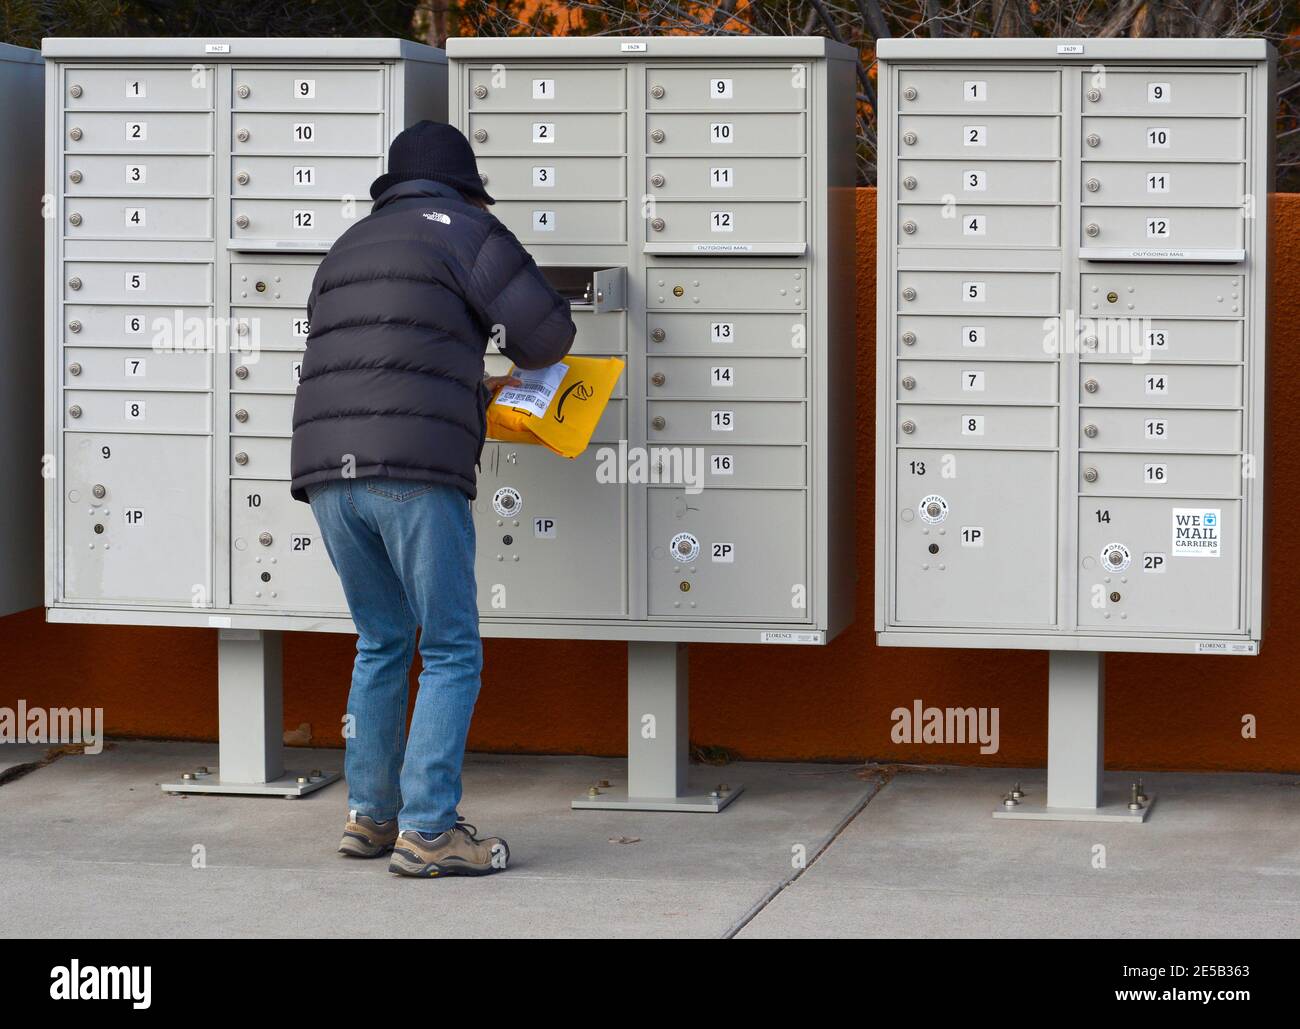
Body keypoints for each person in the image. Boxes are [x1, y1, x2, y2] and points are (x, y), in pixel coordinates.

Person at [289, 121, 576, 878]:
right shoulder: (469, 229)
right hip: (414, 471)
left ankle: (371, 815)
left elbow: (374, 355)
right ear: (467, 184)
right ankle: (431, 830)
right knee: (449, 648)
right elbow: (545, 338)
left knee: (382, 640)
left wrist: (461, 385)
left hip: (327, 473)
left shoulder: (350, 242)